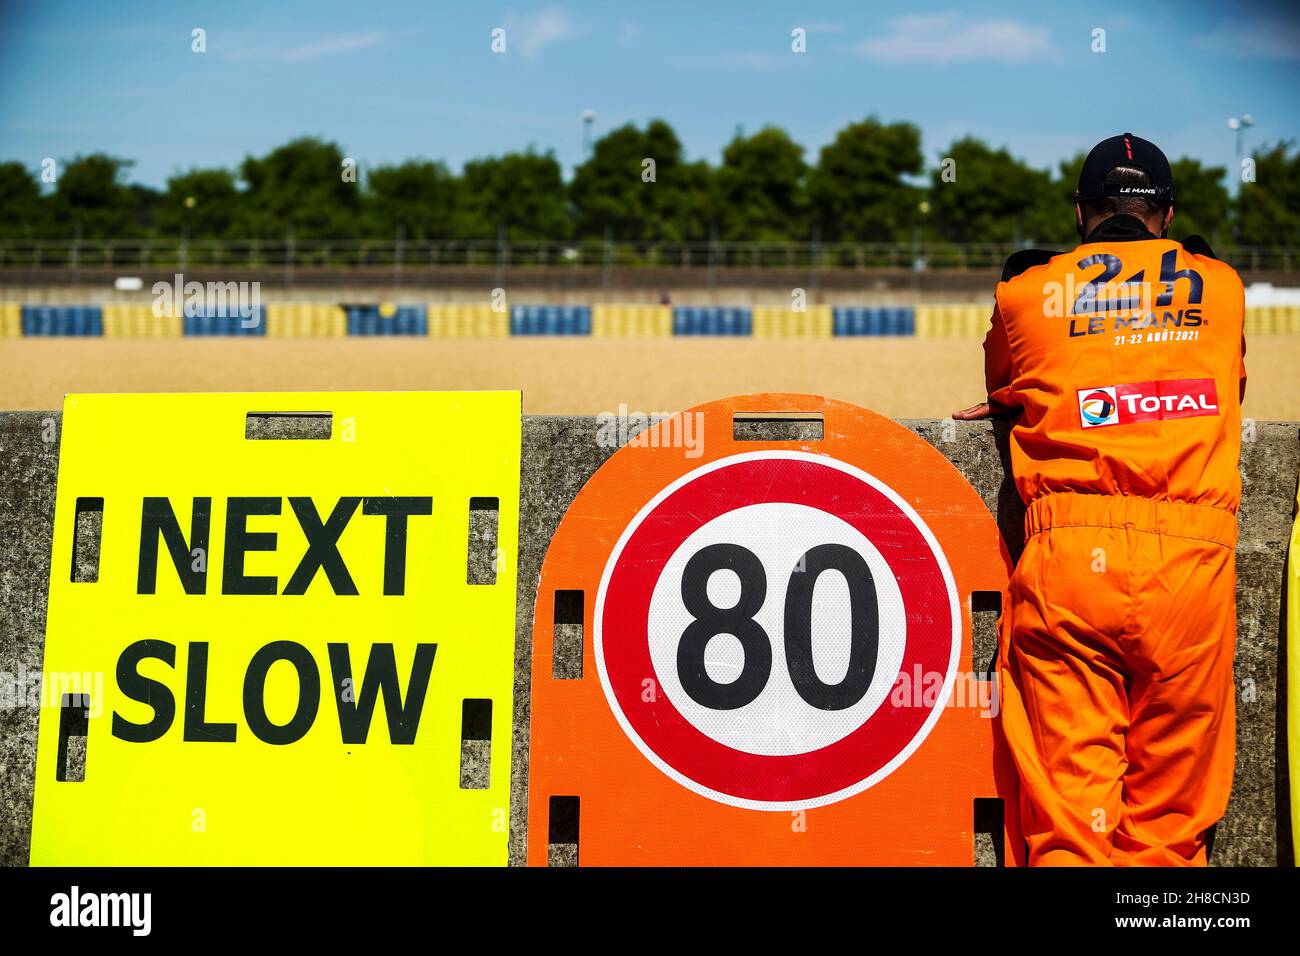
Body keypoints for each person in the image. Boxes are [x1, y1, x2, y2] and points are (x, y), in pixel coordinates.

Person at [953, 133, 1247, 865]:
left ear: (1081, 214)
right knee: (1172, 832)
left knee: (1069, 824)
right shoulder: (1223, 285)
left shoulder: (1025, 291)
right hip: (1192, 561)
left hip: (1072, 558)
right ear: (1168, 215)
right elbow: (1229, 387)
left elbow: (1004, 385)